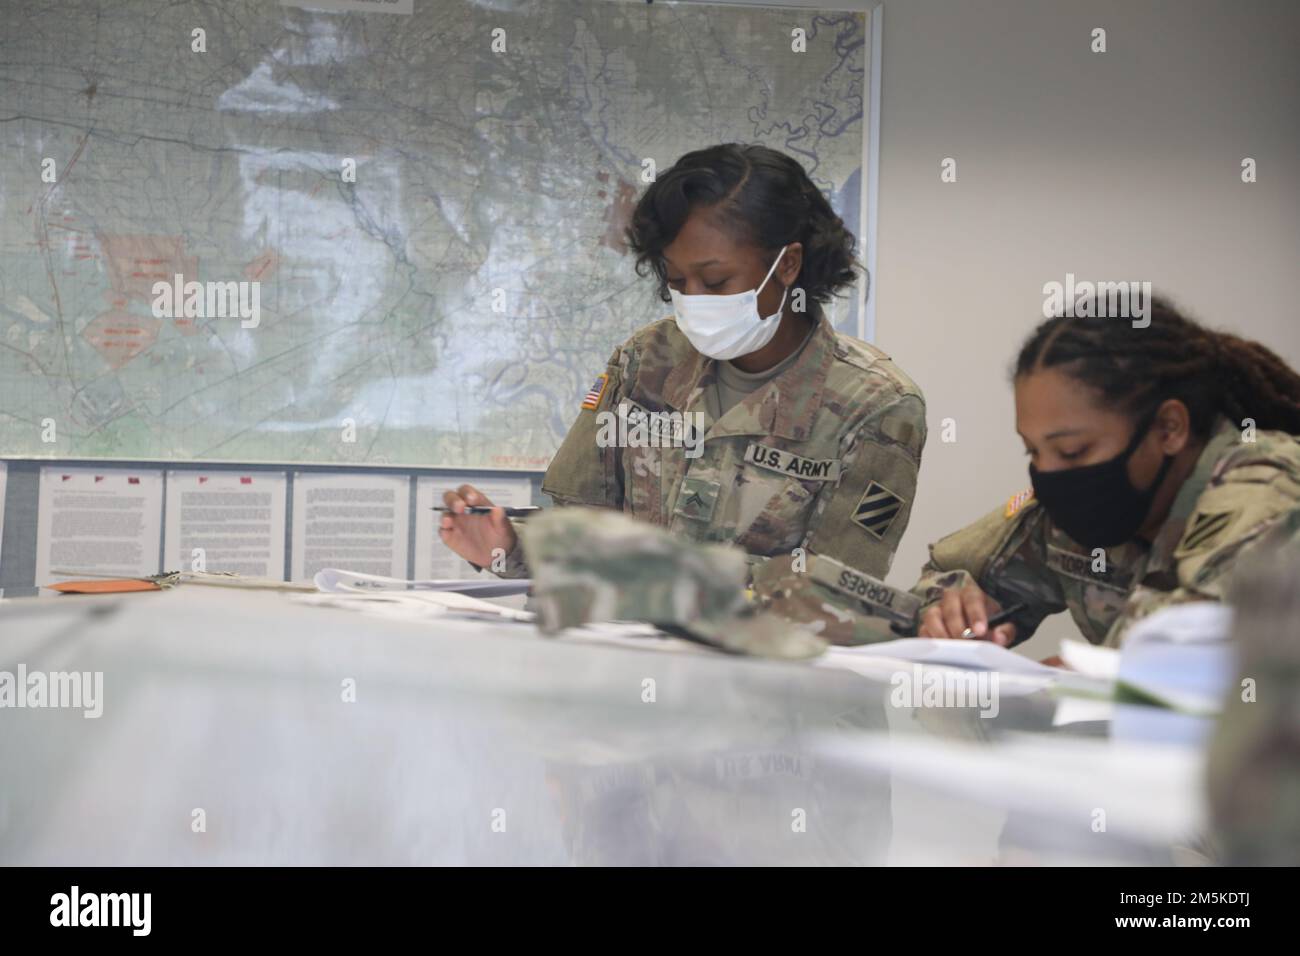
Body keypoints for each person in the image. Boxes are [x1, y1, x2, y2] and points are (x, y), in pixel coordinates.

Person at [439, 144, 926, 592]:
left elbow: (837, 593)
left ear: (789, 264)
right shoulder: (644, 361)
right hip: (615, 665)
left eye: (715, 281)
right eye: (676, 280)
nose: (693, 299)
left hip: (754, 678)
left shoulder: (876, 405)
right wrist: (508, 548)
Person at [911, 297, 1300, 648]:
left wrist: (1092, 675)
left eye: (1071, 450)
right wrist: (951, 611)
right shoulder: (1069, 508)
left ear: (1168, 429)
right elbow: (949, 570)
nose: (1046, 476)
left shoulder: (1267, 482)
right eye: (1033, 450)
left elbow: (1210, 639)